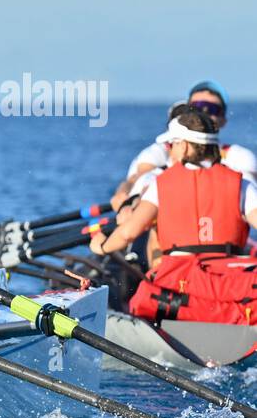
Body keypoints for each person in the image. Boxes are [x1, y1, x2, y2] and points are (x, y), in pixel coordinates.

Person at [92, 107, 257, 323]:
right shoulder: (242, 184)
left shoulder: (160, 185)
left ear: (186, 146)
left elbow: (128, 233)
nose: (170, 151)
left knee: (143, 291)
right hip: (230, 284)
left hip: (177, 284)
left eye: (173, 144)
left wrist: (102, 246)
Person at [111, 80, 256, 210]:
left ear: (223, 119)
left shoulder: (239, 157)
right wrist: (124, 198)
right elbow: (139, 178)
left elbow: (250, 188)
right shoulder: (161, 151)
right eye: (197, 107)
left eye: (211, 109)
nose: (203, 113)